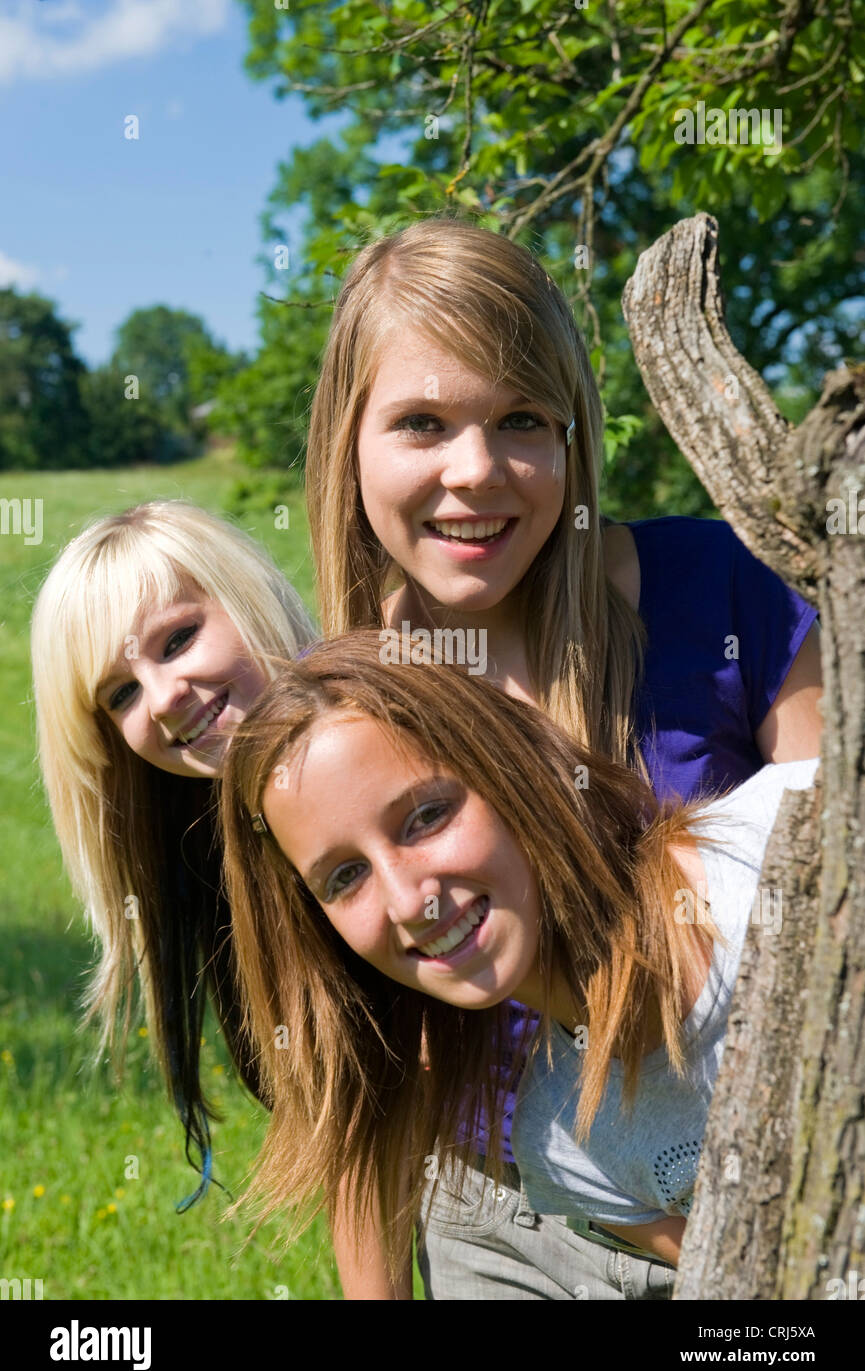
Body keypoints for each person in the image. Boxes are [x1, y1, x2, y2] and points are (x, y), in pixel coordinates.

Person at [302, 217, 823, 1297]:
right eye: (421, 423)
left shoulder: (728, 590)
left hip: (761, 1188)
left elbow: (835, 936)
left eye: (521, 420)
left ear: (575, 437)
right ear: (348, 445)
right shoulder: (345, 723)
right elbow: (361, 1083)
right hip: (500, 1218)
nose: (476, 471)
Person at [219, 632, 819, 1299]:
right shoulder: (560, 1149)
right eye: (345, 876)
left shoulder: (781, 852)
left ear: (510, 768)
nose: (407, 899)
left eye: (425, 816)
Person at [30, 500, 316, 1205]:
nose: (161, 698)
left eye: (178, 639)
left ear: (247, 595)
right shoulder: (235, 848)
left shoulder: (393, 739)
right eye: (122, 692)